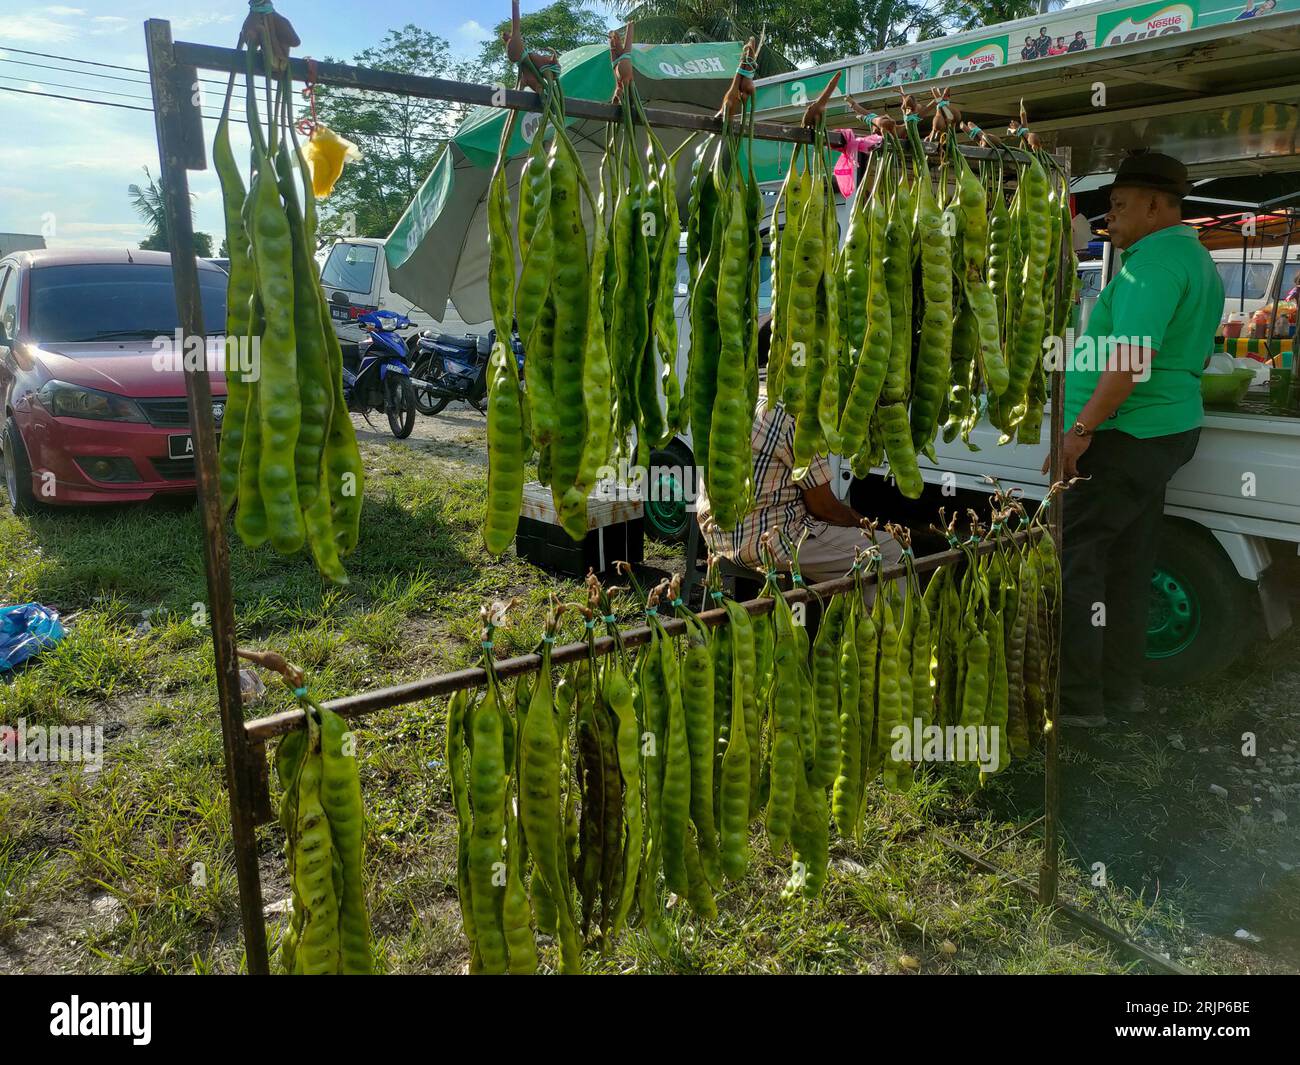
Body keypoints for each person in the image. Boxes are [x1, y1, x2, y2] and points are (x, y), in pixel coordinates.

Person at [1048, 152, 1224, 727]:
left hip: (1128, 436)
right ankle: (1120, 691)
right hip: (1161, 433)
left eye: (1121, 205)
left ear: (1156, 206)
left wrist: (1079, 430)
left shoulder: (1153, 265)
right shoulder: (1191, 257)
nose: (1111, 216)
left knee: (1075, 559)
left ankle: (1076, 701)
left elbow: (1129, 362)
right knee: (1127, 562)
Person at [696, 401, 901, 584]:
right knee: (891, 552)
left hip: (717, 532)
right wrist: (865, 524)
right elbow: (824, 509)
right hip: (766, 541)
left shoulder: (737, 398)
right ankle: (881, 624)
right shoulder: (790, 417)